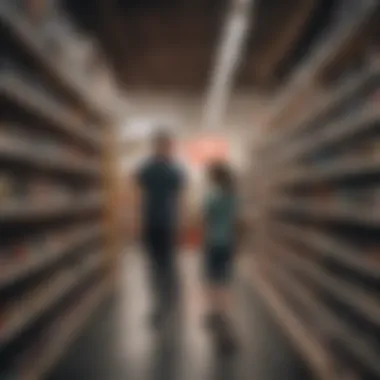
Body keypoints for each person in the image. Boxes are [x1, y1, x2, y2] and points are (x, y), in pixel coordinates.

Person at [135, 130, 186, 328]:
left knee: (169, 265)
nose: (164, 149)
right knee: (153, 266)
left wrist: (181, 224)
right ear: (155, 146)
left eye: (166, 145)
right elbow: (138, 196)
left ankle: (171, 302)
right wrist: (135, 223)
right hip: (150, 223)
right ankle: (158, 305)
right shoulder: (146, 170)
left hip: (168, 224)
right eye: (161, 145)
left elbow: (180, 199)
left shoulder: (175, 171)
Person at [203, 161, 239, 330]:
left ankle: (214, 312)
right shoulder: (233, 196)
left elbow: (204, 216)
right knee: (225, 278)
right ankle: (224, 312)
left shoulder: (213, 196)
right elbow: (237, 221)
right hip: (228, 242)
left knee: (212, 278)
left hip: (213, 242)